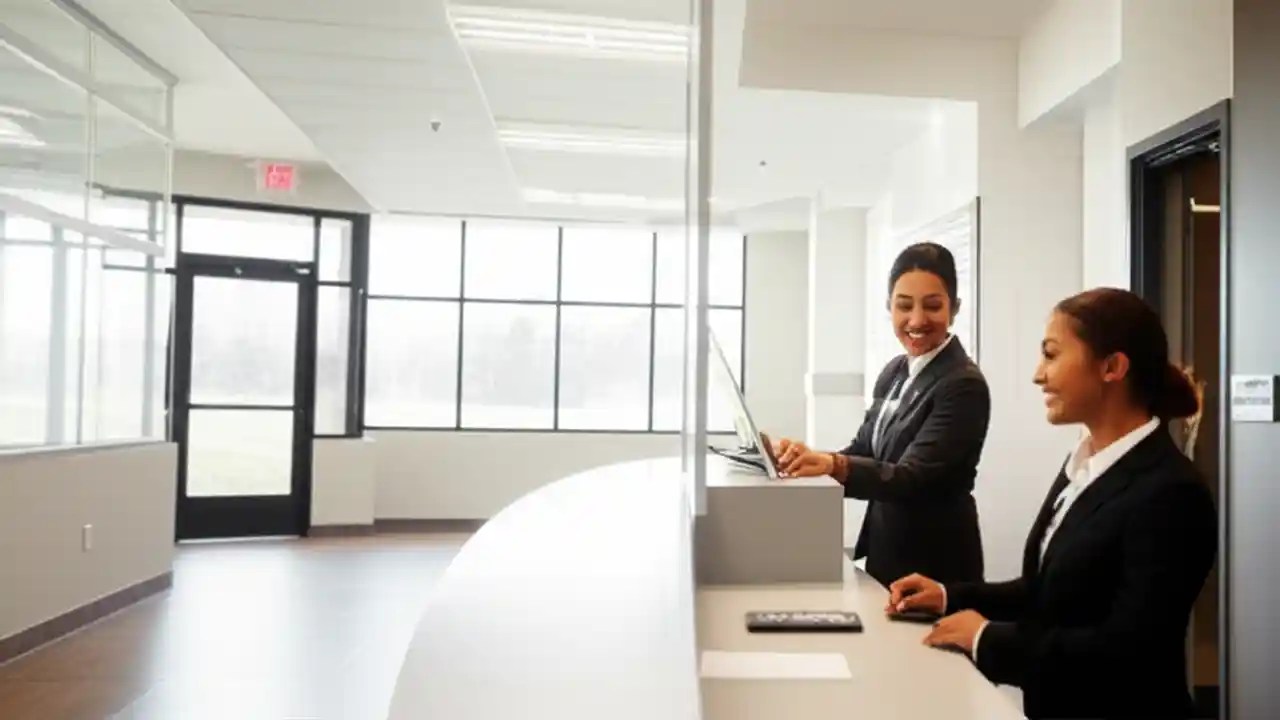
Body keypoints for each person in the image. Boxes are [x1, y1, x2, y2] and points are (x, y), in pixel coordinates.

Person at [888, 287, 1217, 720]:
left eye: (1051, 355)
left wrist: (987, 639)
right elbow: (1048, 591)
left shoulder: (1172, 491)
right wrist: (949, 596)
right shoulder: (1083, 465)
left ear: (1112, 367)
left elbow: (1129, 650)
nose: (1038, 375)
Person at [773, 242, 989, 586]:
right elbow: (865, 450)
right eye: (904, 306)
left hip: (935, 567)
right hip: (886, 553)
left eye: (932, 306)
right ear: (889, 307)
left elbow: (912, 478)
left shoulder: (963, 385)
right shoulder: (895, 371)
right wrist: (810, 459)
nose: (917, 320)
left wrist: (832, 465)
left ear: (955, 308)